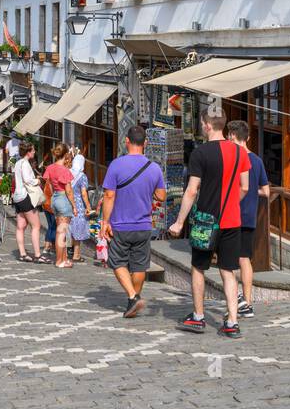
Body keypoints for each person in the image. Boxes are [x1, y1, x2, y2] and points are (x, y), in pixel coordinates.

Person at [168, 112, 250, 338]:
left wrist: (179, 222)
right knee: (228, 271)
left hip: (206, 221)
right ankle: (232, 321)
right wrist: (232, 203)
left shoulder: (200, 153)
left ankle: (198, 316)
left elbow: (192, 190)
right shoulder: (240, 152)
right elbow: (245, 187)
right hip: (232, 220)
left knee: (199, 267)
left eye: (202, 123)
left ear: (206, 126)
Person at [100, 126, 166, 318]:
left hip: (121, 224)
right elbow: (161, 196)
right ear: (145, 143)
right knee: (139, 265)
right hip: (144, 225)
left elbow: (109, 195)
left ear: (126, 141)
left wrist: (105, 222)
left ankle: (132, 296)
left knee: (117, 261)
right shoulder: (154, 168)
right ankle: (134, 299)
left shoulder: (116, 165)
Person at [226, 119, 268, 318]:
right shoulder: (257, 161)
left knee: (229, 262)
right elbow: (266, 191)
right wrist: (252, 193)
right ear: (248, 137)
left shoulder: (232, 159)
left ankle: (234, 302)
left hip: (232, 214)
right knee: (245, 259)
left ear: (232, 137)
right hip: (250, 215)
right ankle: (247, 302)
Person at [12, 143, 48, 263]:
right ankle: (38, 255)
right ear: (28, 152)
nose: (34, 152)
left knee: (20, 226)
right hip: (25, 196)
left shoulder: (17, 163)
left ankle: (22, 254)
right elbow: (28, 180)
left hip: (17, 197)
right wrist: (37, 181)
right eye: (33, 150)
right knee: (36, 226)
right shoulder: (25, 164)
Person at [43, 145, 76, 268]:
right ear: (66, 154)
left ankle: (63, 259)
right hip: (63, 199)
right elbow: (69, 191)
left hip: (55, 198)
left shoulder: (50, 167)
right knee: (62, 232)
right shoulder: (64, 170)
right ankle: (59, 261)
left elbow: (49, 185)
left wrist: (53, 198)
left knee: (60, 230)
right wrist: (74, 206)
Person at [69, 158, 93, 263]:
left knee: (70, 228)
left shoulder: (68, 173)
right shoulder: (82, 176)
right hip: (78, 205)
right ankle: (76, 254)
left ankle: (68, 252)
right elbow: (84, 193)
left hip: (68, 203)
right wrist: (88, 207)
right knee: (78, 228)